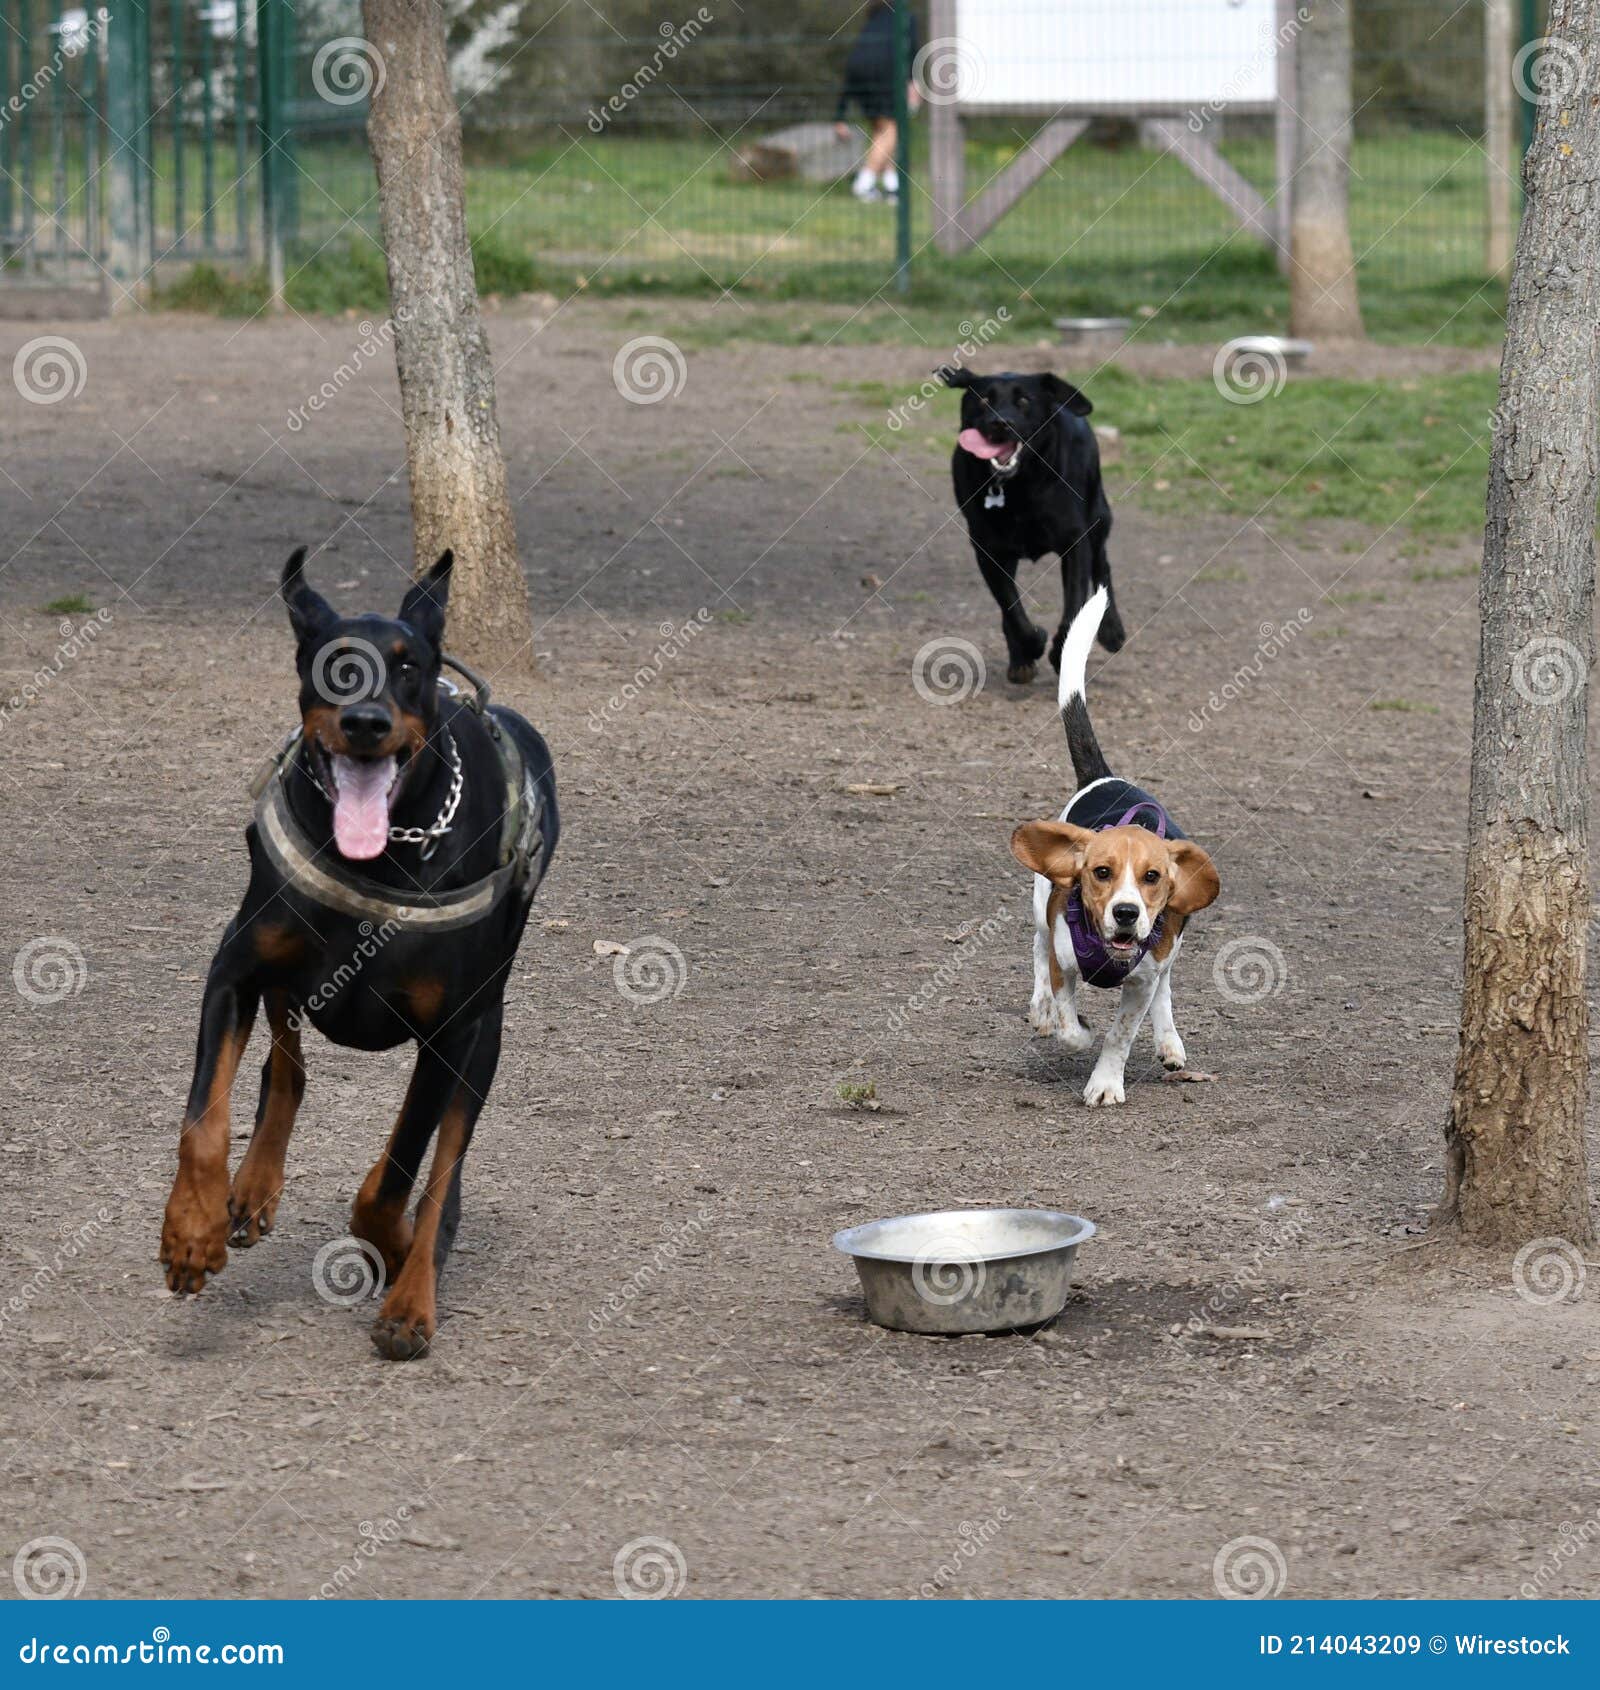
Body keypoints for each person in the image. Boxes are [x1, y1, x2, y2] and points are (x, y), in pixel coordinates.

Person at [833, 1, 921, 203]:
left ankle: (892, 187)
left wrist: (839, 115)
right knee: (893, 130)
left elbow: (854, 64)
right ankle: (864, 183)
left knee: (882, 130)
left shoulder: (873, 19)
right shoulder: (906, 17)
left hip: (859, 74)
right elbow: (911, 52)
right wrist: (913, 83)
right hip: (885, 74)